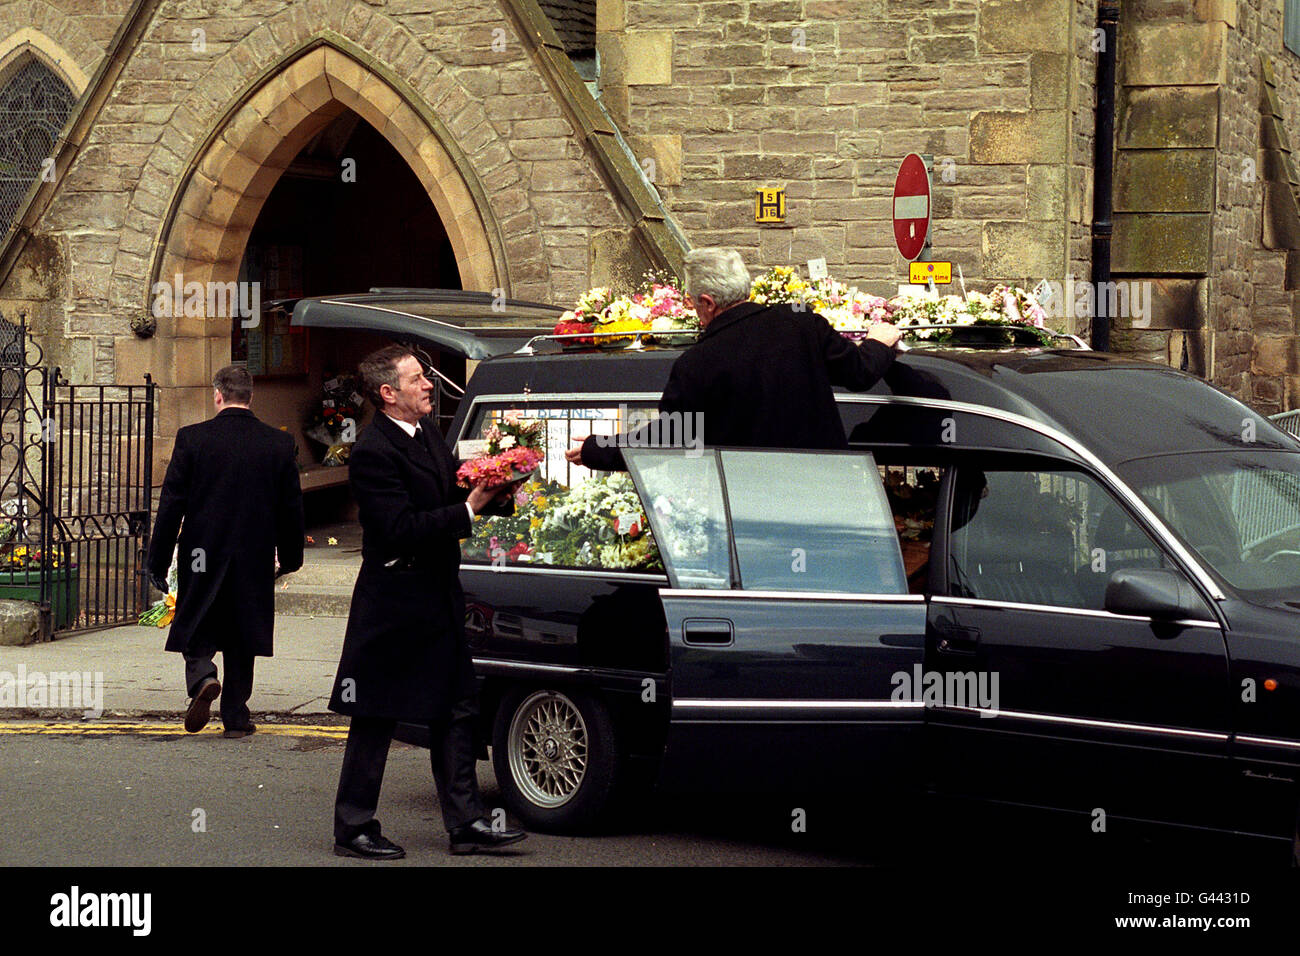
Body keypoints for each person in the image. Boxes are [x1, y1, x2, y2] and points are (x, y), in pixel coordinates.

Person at [329, 345, 527, 860]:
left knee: (457, 707)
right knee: (376, 713)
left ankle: (466, 823)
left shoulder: (428, 434)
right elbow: (397, 531)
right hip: (393, 600)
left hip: (437, 595)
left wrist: (498, 488)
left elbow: (449, 495)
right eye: (417, 379)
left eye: (427, 377)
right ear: (387, 393)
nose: (428, 385)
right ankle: (353, 827)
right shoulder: (373, 450)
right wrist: (468, 508)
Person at [566, 247, 903, 470]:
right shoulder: (801, 324)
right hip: (827, 496)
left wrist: (599, 449)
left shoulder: (697, 363)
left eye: (692, 303)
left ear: (708, 302)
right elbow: (860, 373)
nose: (693, 311)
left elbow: (671, 438)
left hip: (752, 512)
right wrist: (879, 342)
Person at [147, 365, 304, 738]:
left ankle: (202, 674)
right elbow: (291, 508)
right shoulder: (278, 444)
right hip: (254, 553)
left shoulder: (192, 439)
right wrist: (291, 556)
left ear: (218, 395)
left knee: (195, 617)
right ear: (251, 396)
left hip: (202, 551)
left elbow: (171, 504)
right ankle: (236, 715)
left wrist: (157, 559)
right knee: (243, 631)